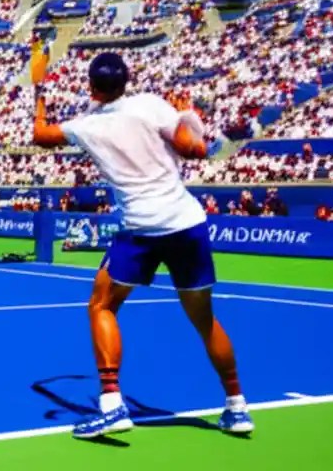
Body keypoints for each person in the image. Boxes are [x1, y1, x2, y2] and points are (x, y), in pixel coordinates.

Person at [30, 50, 253, 439]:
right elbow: (191, 148)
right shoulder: (151, 105)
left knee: (101, 305)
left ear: (91, 88)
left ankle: (112, 404)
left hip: (141, 228)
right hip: (186, 223)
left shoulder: (85, 126)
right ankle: (237, 407)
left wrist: (39, 90)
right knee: (204, 321)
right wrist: (187, 116)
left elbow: (40, 135)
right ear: (126, 82)